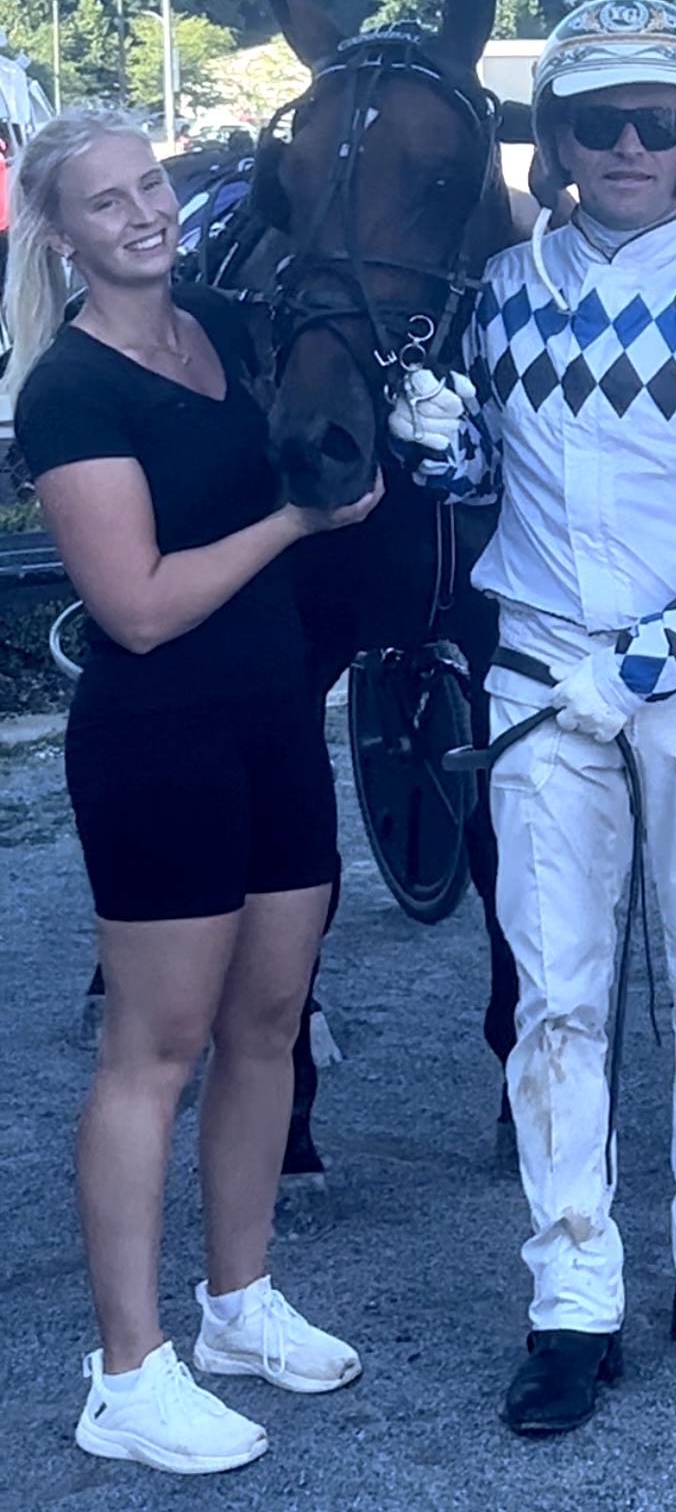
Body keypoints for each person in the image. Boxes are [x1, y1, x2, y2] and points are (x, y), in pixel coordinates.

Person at [392, 0, 676, 1435]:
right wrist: (445, 458)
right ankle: (570, 1294)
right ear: (557, 140)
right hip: (539, 673)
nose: (632, 143)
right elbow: (481, 499)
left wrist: (635, 668)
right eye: (600, 120)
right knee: (557, 996)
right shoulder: (495, 299)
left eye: (662, 119)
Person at [6, 110, 378, 1476]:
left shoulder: (224, 320)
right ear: (63, 235)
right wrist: (293, 521)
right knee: (151, 1052)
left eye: (150, 184)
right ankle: (127, 1366)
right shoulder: (71, 392)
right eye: (105, 204)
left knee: (267, 1023)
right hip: (157, 739)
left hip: (276, 723)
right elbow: (143, 606)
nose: (142, 213)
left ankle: (236, 1302)